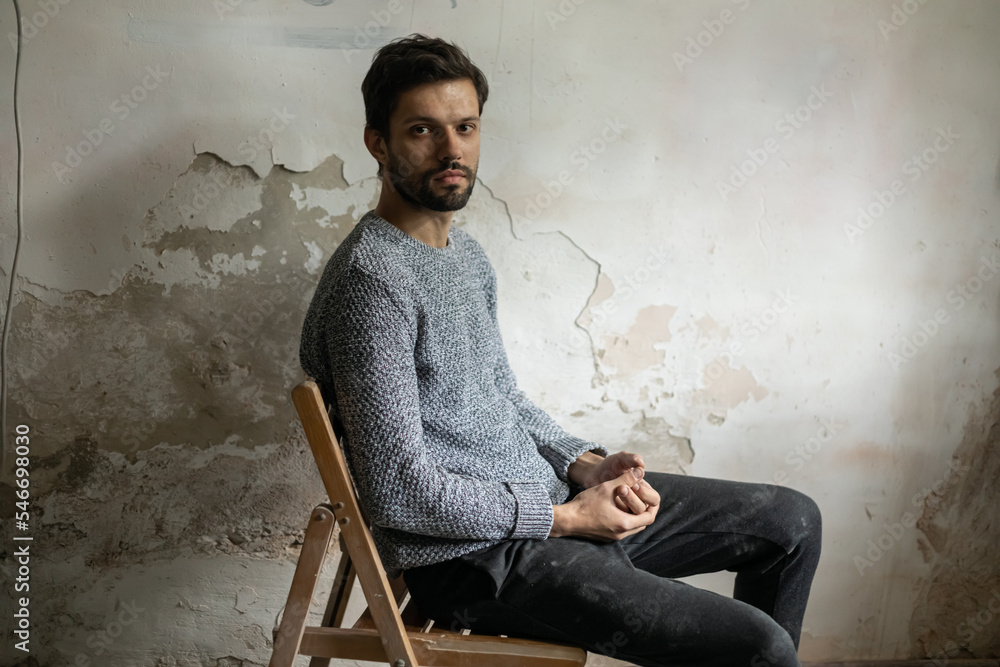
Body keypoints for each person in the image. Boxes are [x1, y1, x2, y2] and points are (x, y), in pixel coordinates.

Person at [299, 33, 821, 667]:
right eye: (422, 131)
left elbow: (504, 400)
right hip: (473, 558)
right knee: (759, 647)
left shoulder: (464, 256)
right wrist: (567, 519)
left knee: (791, 524)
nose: (452, 149)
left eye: (465, 127)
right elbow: (401, 493)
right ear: (377, 141)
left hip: (545, 506)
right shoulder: (371, 283)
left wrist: (584, 467)